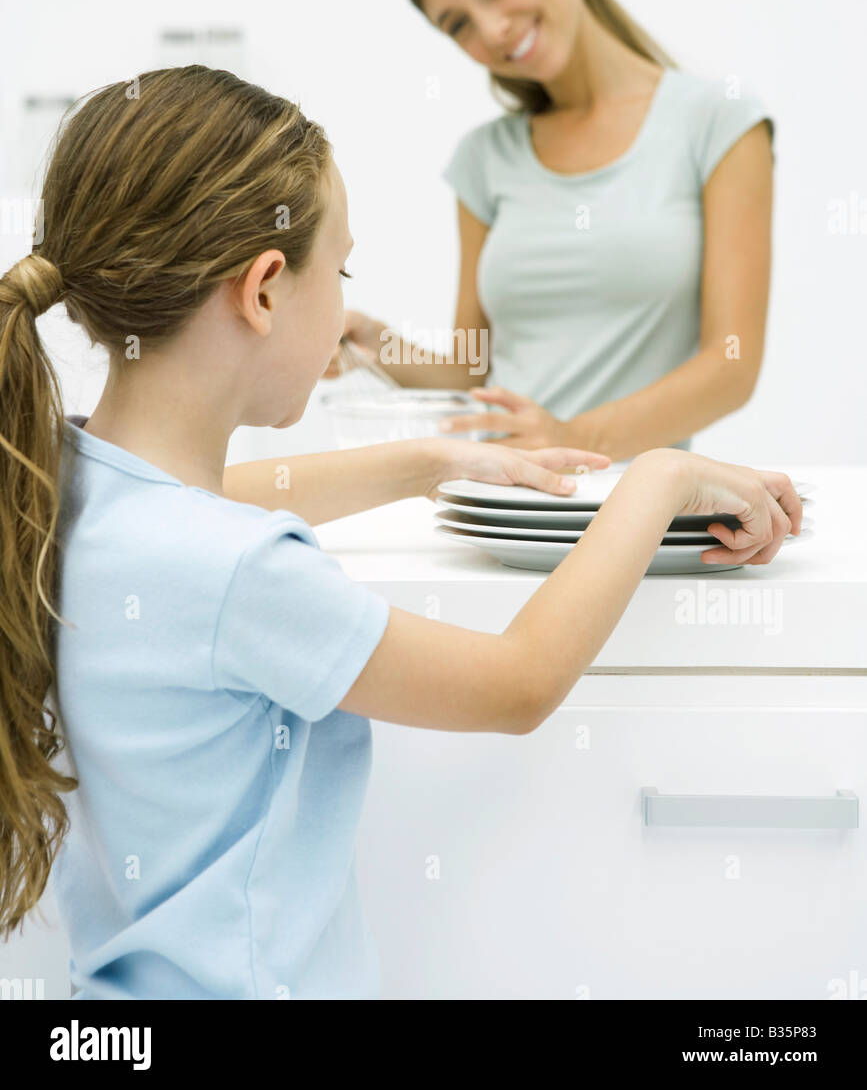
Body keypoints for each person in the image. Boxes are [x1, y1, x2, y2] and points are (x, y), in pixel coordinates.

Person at [0, 66, 800, 1000]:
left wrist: (424, 463)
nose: (343, 303)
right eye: (338, 272)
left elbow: (211, 504)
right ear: (263, 290)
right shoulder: (240, 575)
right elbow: (518, 683)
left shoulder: (57, 478)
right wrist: (659, 476)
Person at [326, 0, 774, 460]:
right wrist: (376, 343)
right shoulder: (486, 158)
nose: (491, 30)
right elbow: (473, 367)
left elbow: (730, 367)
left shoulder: (719, 123)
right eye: (458, 24)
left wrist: (573, 439)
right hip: (500, 504)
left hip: (639, 509)